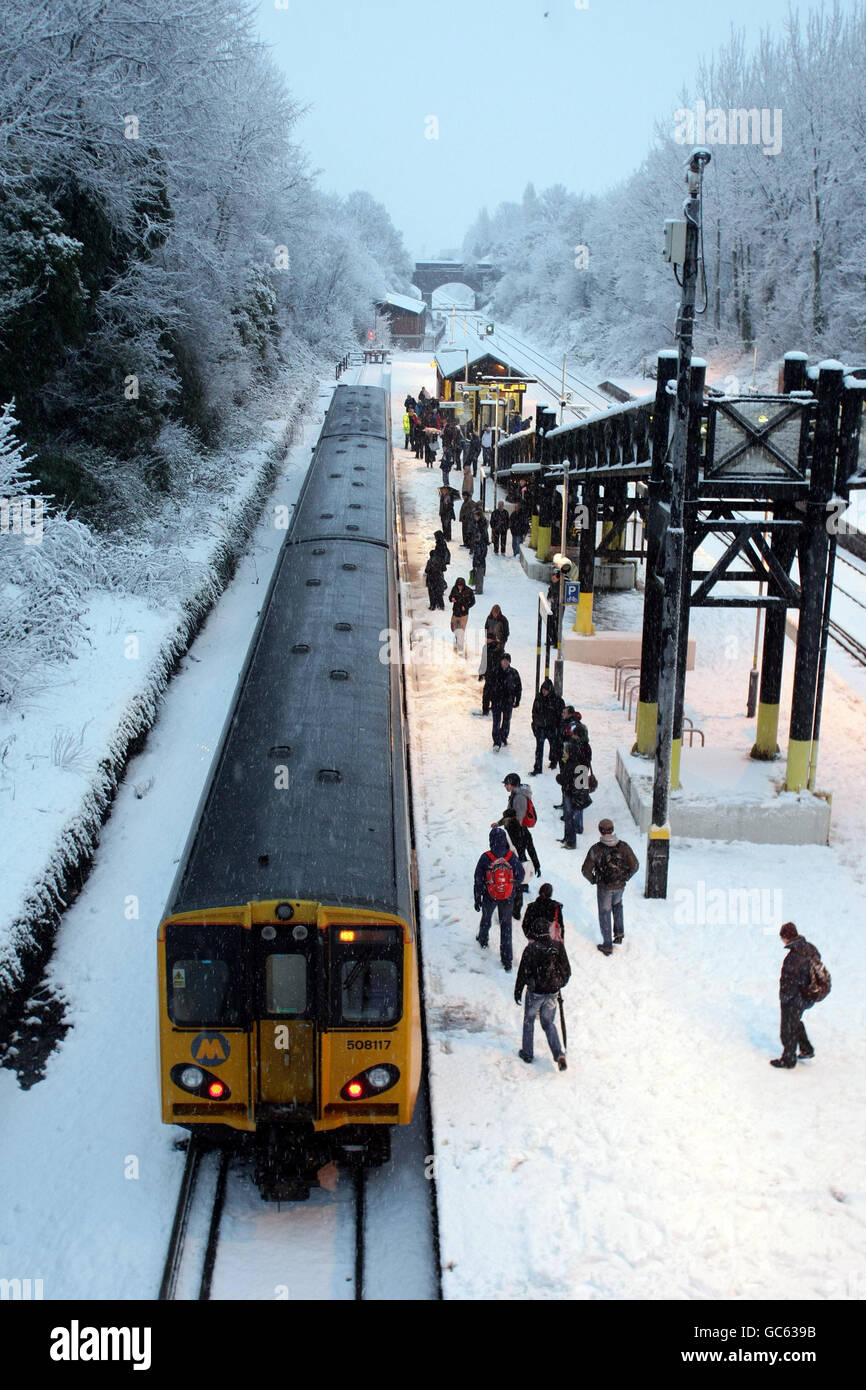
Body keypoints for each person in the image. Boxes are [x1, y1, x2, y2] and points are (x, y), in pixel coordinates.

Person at [514, 923, 570, 1069]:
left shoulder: (531, 949)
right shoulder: (558, 947)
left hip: (535, 993)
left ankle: (527, 1053)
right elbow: (567, 971)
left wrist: (518, 990)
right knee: (548, 1023)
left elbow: (522, 972)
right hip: (552, 993)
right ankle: (558, 1053)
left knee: (529, 1021)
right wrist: (558, 984)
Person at [771, 922, 826, 1068]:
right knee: (795, 1022)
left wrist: (784, 999)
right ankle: (806, 1049)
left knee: (787, 1030)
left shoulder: (793, 958)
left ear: (786, 937)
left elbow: (787, 983)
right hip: (808, 995)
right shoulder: (810, 948)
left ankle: (788, 1059)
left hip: (795, 999)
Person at [581, 819, 640, 955]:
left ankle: (607, 945)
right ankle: (619, 933)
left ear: (600, 830)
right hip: (620, 885)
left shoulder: (596, 849)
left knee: (605, 912)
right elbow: (635, 865)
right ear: (612, 829)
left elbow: (586, 870)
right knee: (617, 906)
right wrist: (625, 877)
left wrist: (594, 880)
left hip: (604, 887)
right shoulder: (623, 846)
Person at [474, 826, 525, 972]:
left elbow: (478, 878)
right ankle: (507, 959)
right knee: (506, 926)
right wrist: (511, 886)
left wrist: (478, 897)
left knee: (486, 917)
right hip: (507, 897)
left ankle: (483, 939)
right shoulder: (510, 856)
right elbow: (520, 875)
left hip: (489, 894)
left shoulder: (486, 857)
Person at [494, 772, 541, 921]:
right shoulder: (516, 794)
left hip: (517, 834)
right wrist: (501, 823)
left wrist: (512, 831)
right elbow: (511, 815)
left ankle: (521, 884)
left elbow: (517, 817)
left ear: (512, 784)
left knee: (519, 859)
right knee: (520, 858)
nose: (505, 786)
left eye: (506, 784)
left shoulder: (519, 797)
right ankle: (521, 883)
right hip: (517, 832)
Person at [487, 654, 522, 752]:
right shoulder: (494, 671)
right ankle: (496, 741)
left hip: (508, 701)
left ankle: (503, 737)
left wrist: (517, 699)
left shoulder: (514, 673)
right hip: (496, 701)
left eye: (507, 660)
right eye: (504, 660)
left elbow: (518, 687)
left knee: (506, 721)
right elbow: (488, 686)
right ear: (501, 661)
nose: (505, 662)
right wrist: (488, 699)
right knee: (496, 722)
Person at [479, 605, 510, 714]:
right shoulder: (489, 619)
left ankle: (491, 707)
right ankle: (486, 708)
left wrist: (500, 642)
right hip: (490, 671)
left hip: (495, 664)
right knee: (488, 689)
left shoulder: (503, 620)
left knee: (493, 689)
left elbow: (506, 634)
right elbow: (484, 661)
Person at [556, 755, 592, 848]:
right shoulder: (579, 763)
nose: (563, 753)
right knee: (569, 818)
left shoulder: (572, 765)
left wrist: (558, 777)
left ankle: (571, 841)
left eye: (565, 752)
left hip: (570, 795)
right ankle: (567, 838)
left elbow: (564, 779)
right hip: (574, 795)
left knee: (569, 818)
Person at [531, 678, 564, 775]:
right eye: (543, 689)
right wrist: (535, 725)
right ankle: (537, 768)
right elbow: (534, 713)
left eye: (546, 690)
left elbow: (561, 716)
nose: (544, 691)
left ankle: (553, 761)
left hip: (551, 727)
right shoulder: (538, 698)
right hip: (540, 727)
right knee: (539, 749)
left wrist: (558, 728)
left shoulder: (557, 701)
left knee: (554, 746)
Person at [449, 577, 475, 655]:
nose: (459, 587)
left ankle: (460, 647)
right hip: (455, 613)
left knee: (461, 631)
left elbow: (473, 602)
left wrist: (466, 606)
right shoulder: (454, 589)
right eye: (458, 585)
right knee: (453, 627)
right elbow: (450, 597)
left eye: (461, 585)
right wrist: (451, 599)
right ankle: (457, 638)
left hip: (463, 615)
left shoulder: (469, 591)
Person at [470, 524, 488, 595]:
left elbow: (483, 554)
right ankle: (477, 588)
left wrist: (479, 560)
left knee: (480, 577)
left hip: (480, 563)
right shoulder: (476, 544)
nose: (476, 539)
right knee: (476, 576)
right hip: (476, 562)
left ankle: (479, 590)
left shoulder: (482, 544)